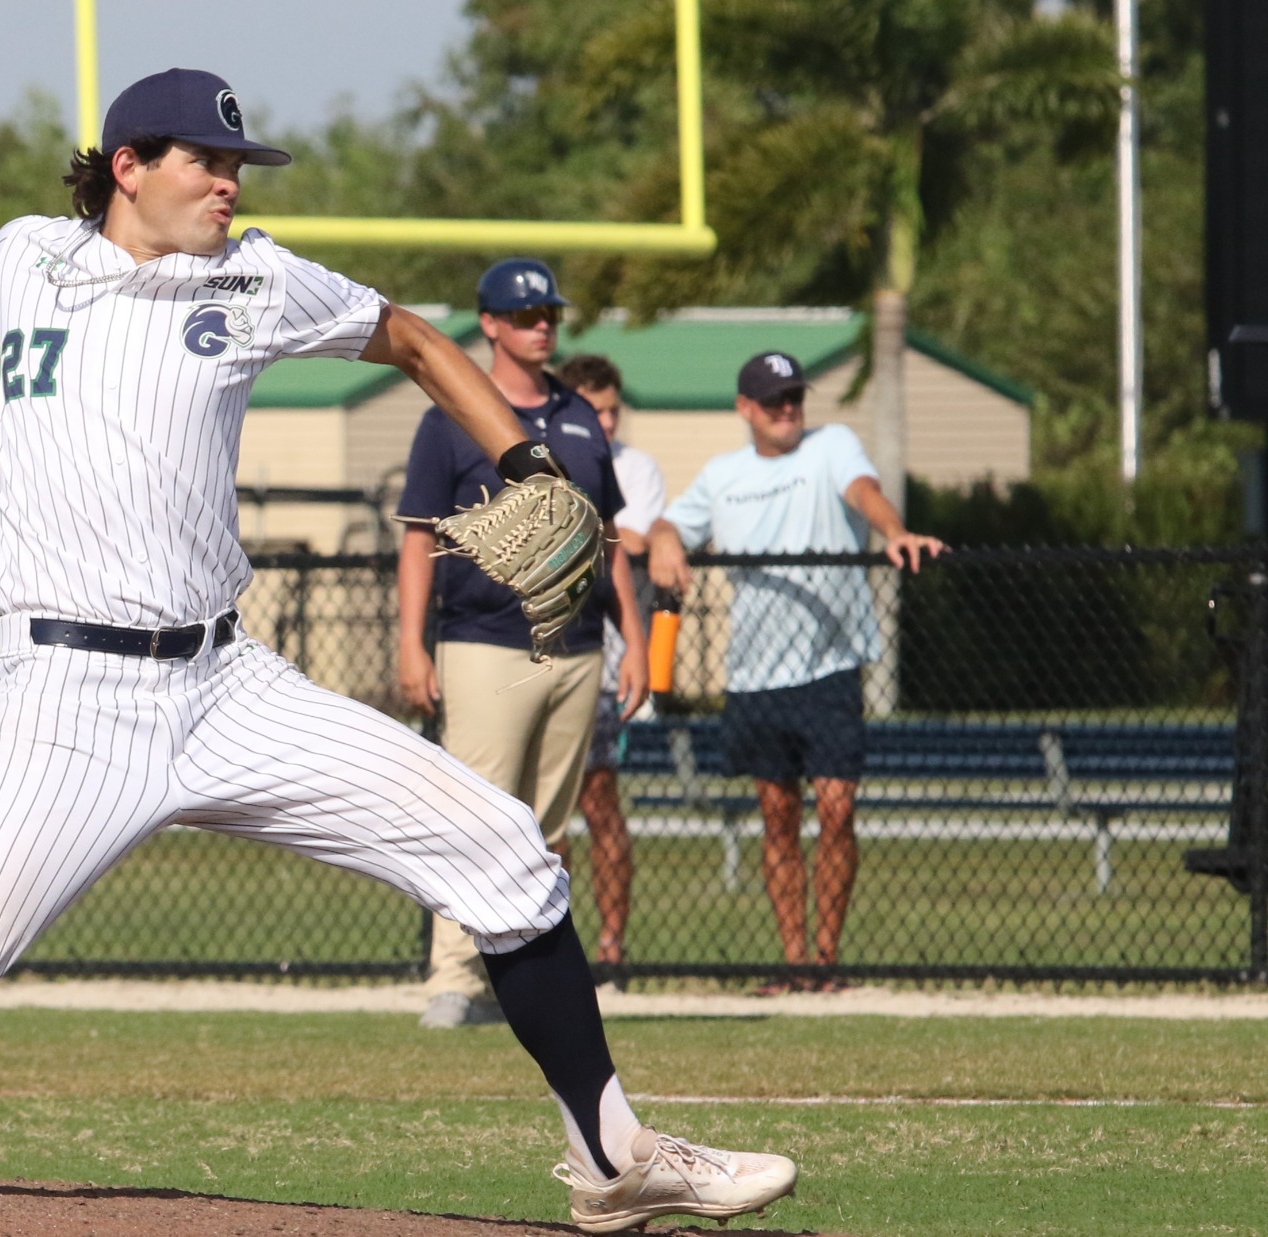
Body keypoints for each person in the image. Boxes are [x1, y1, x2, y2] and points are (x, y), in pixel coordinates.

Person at [0, 23, 797, 1232]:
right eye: (206, 163)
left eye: (236, 165)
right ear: (128, 166)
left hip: (226, 686)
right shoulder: (33, 265)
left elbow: (407, 337)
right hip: (65, 702)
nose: (229, 184)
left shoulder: (256, 278)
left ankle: (615, 1156)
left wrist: (522, 461)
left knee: (505, 854)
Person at [395, 266, 648, 1027]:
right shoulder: (451, 414)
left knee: (547, 831)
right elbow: (419, 537)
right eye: (525, 313)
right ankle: (453, 981)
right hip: (485, 643)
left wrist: (634, 639)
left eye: (549, 313)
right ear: (490, 324)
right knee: (473, 816)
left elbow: (605, 535)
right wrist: (411, 642)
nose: (542, 326)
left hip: (578, 647)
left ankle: (528, 987)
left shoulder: (579, 415)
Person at [645, 351, 944, 991]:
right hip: (754, 678)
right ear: (745, 408)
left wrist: (894, 531)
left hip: (829, 668)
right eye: (773, 400)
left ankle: (826, 961)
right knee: (778, 819)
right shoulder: (723, 474)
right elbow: (669, 524)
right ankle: (793, 961)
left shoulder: (832, 445)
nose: (787, 409)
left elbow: (864, 492)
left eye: (795, 397)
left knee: (836, 809)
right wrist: (666, 538)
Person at [557, 353, 664, 968]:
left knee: (601, 806)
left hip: (601, 658)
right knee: (540, 816)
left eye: (613, 410)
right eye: (595, 410)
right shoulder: (541, 458)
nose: (607, 422)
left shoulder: (633, 467)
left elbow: (633, 538)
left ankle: (611, 947)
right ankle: (554, 946)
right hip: (541, 656)